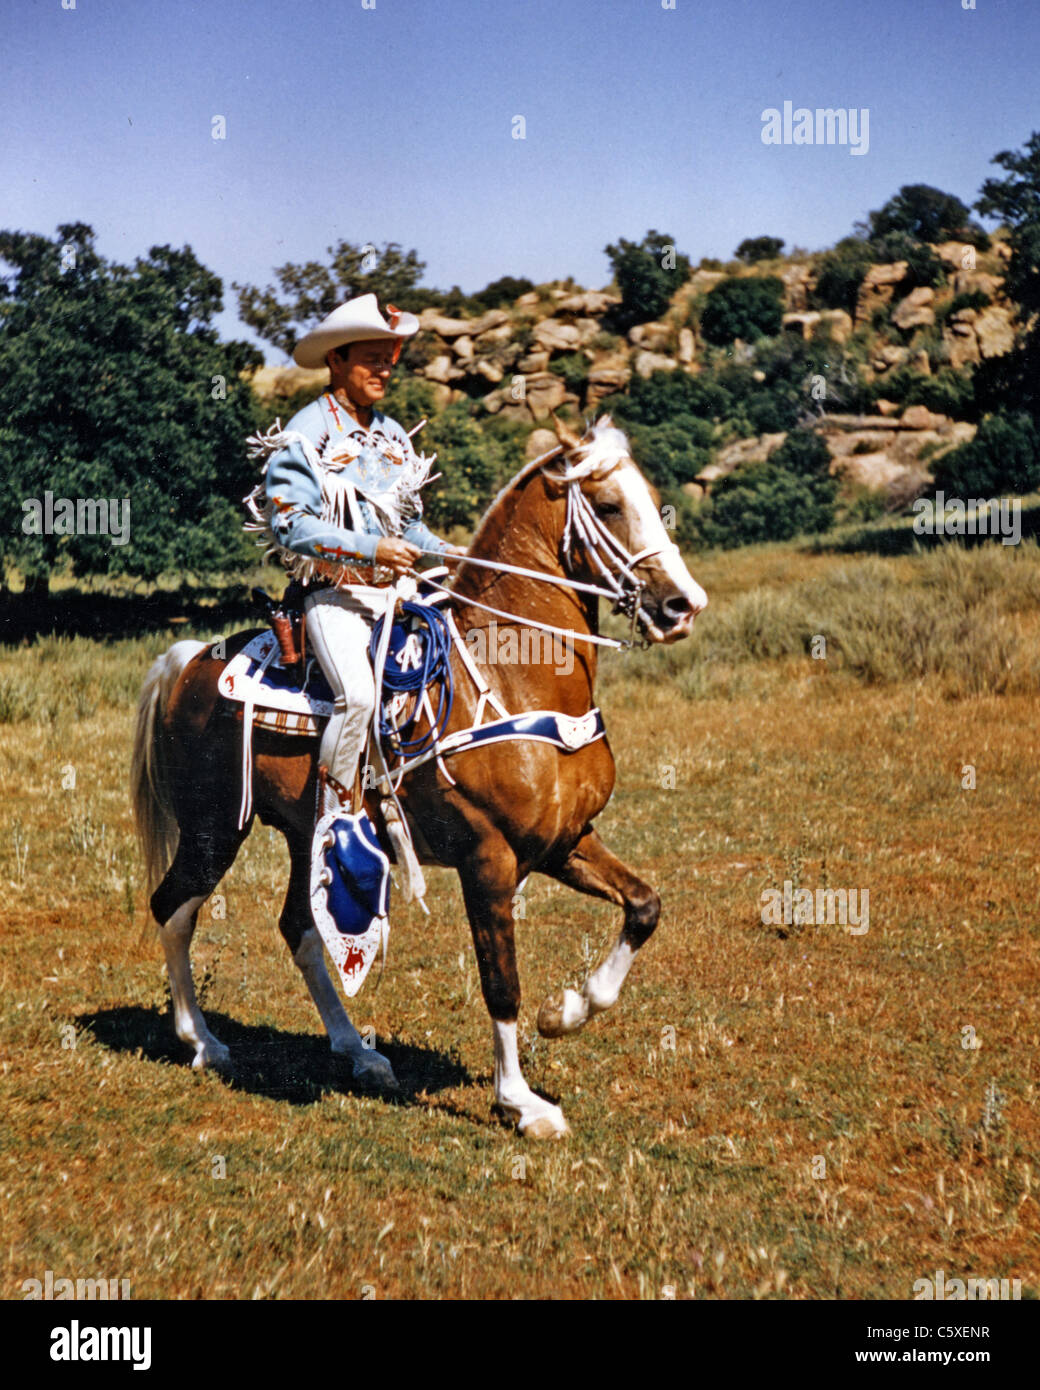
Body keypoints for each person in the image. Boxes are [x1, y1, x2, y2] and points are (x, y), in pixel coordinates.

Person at [245, 293, 465, 823]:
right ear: (336, 361)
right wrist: (373, 549)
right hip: (334, 595)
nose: (386, 369)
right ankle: (338, 820)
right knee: (359, 698)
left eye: (390, 358)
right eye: (372, 358)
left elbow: (407, 526)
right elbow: (290, 523)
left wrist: (450, 552)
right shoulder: (303, 432)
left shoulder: (392, 435)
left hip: (398, 594)